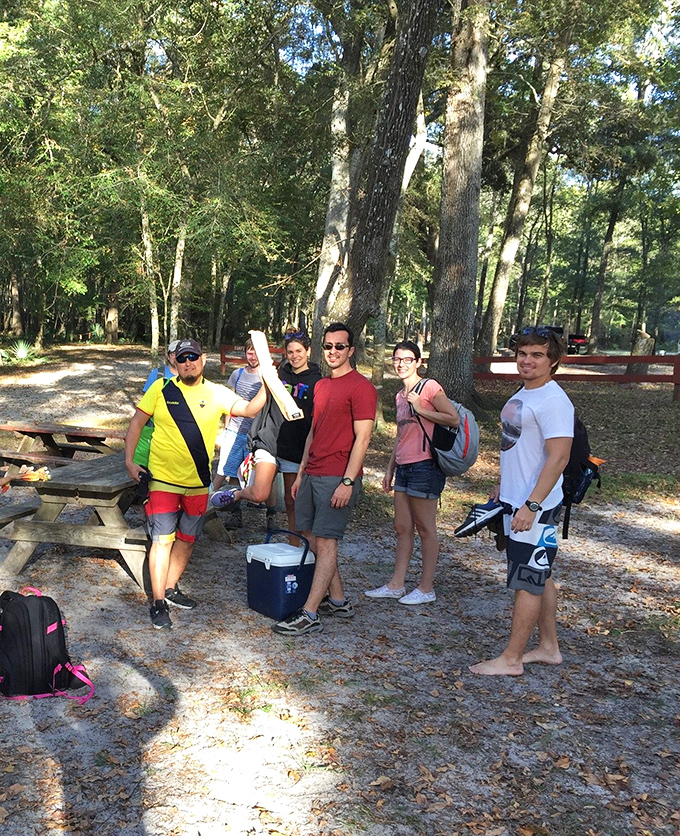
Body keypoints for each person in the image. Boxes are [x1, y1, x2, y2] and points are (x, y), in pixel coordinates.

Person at [125, 338, 267, 630]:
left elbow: (251, 409)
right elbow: (137, 423)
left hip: (199, 483)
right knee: (162, 542)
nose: (188, 362)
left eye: (194, 357)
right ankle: (158, 602)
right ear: (175, 362)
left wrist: (270, 380)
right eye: (183, 358)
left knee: (187, 540)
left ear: (203, 360)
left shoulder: (216, 393)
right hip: (163, 482)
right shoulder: (161, 389)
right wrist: (130, 461)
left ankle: (170, 588)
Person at [470, 326, 574, 676]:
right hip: (517, 498)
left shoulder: (554, 401)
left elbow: (558, 458)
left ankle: (512, 659)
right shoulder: (526, 392)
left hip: (537, 505)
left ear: (553, 361)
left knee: (527, 577)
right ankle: (548, 648)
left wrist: (532, 505)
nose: (527, 360)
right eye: (523, 353)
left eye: (537, 355)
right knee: (539, 575)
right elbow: (515, 447)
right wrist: (505, 488)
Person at [271, 322, 377, 636]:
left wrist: (347, 481)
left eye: (339, 346)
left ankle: (310, 613)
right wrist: (301, 472)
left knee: (327, 541)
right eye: (328, 346)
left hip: (336, 476)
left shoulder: (362, 387)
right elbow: (313, 432)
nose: (333, 352)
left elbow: (363, 438)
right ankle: (339, 599)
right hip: (312, 471)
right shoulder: (322, 386)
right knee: (309, 533)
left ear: (351, 350)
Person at [365, 341, 459, 605]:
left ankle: (426, 587)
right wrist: (389, 468)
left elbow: (452, 418)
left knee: (426, 528)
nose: (401, 364)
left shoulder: (429, 387)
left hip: (425, 466)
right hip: (404, 467)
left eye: (407, 359)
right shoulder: (398, 396)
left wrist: (421, 408)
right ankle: (396, 584)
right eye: (397, 359)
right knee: (402, 527)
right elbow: (401, 435)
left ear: (418, 362)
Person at [211, 329, 322, 537]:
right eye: (290, 352)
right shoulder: (278, 373)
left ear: (309, 351)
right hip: (269, 439)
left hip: (295, 447)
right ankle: (236, 495)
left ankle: (295, 546)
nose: (295, 356)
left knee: (292, 502)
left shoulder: (318, 381)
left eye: (299, 351)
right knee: (260, 493)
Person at [211, 339, 263, 527]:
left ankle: (265, 513)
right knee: (226, 470)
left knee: (246, 474)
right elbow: (228, 404)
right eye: (250, 352)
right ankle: (228, 509)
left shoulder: (266, 378)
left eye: (256, 352)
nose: (253, 356)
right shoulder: (237, 374)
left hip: (254, 434)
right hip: (234, 430)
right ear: (245, 354)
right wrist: (227, 429)